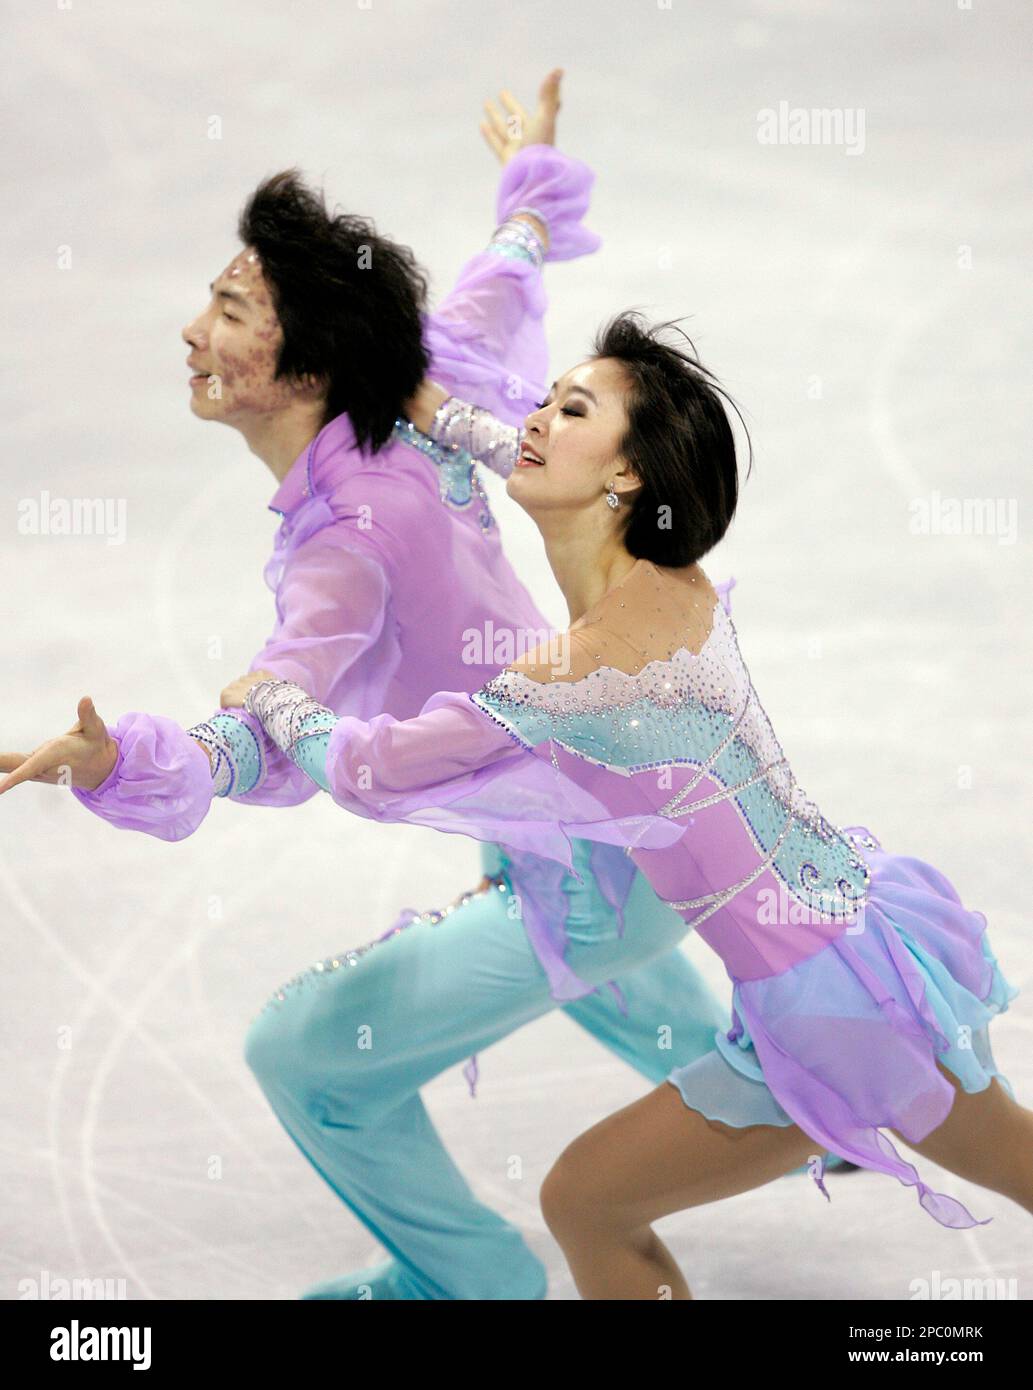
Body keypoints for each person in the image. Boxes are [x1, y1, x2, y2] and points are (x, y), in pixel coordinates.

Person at [15, 310, 1024, 1300]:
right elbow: (516, 454)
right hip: (872, 947)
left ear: (627, 473)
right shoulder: (675, 581)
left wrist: (273, 699)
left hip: (831, 1010)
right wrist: (444, 411)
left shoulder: (574, 675)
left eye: (572, 409)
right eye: (544, 399)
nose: (535, 419)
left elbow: (372, 769)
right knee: (597, 1201)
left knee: (587, 1202)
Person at [1, 80, 753, 1301]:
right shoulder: (419, 371)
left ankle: (470, 1283)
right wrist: (527, 188)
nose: (192, 330)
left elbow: (266, 723)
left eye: (230, 309)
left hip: (588, 848)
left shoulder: (350, 531)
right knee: (604, 935)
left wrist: (120, 759)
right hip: (610, 813)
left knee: (305, 1055)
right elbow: (497, 283)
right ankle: (792, 1088)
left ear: (305, 364)